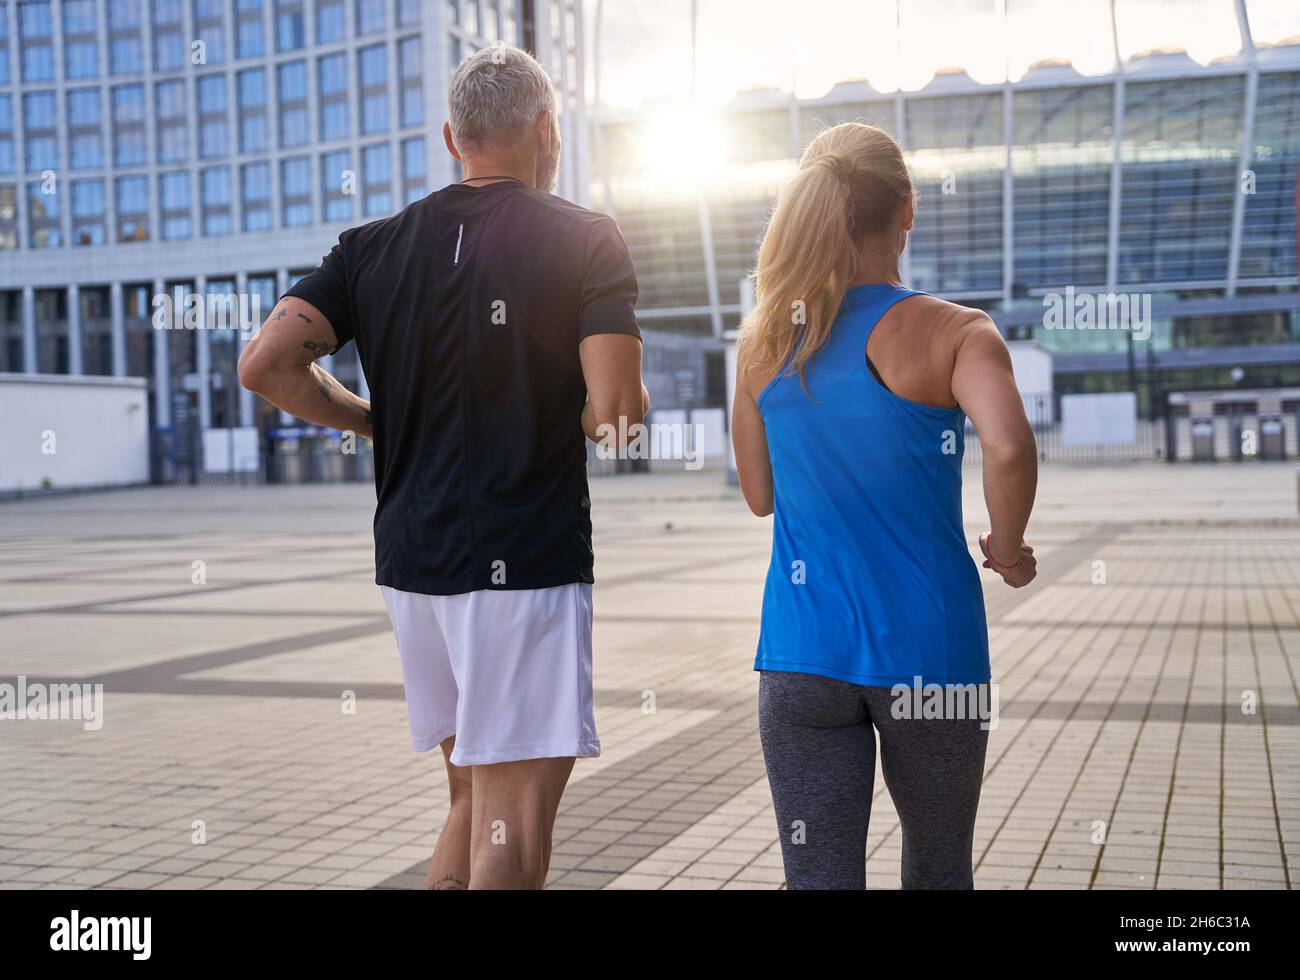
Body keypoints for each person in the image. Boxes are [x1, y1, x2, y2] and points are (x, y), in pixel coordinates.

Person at [238, 45, 647, 890]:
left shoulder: (370, 247)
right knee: (514, 816)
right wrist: (575, 409)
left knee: (468, 799)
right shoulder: (584, 237)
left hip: (413, 565)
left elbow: (267, 363)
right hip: (523, 563)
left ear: (453, 137)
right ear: (545, 131)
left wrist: (371, 422)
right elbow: (616, 417)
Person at [731, 122, 1038, 890]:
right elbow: (1006, 444)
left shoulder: (766, 344)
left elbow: (760, 498)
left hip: (804, 657)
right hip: (931, 655)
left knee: (819, 878)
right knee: (939, 867)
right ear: (906, 209)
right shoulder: (957, 331)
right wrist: (1007, 547)